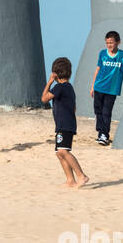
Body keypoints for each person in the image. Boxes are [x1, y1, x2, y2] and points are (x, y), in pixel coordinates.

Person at [42, 57, 89, 188]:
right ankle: (70, 180)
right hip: (66, 124)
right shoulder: (69, 88)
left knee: (63, 151)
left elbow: (44, 98)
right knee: (59, 153)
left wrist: (50, 82)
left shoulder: (59, 87)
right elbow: (73, 107)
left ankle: (81, 176)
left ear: (55, 73)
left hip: (64, 125)